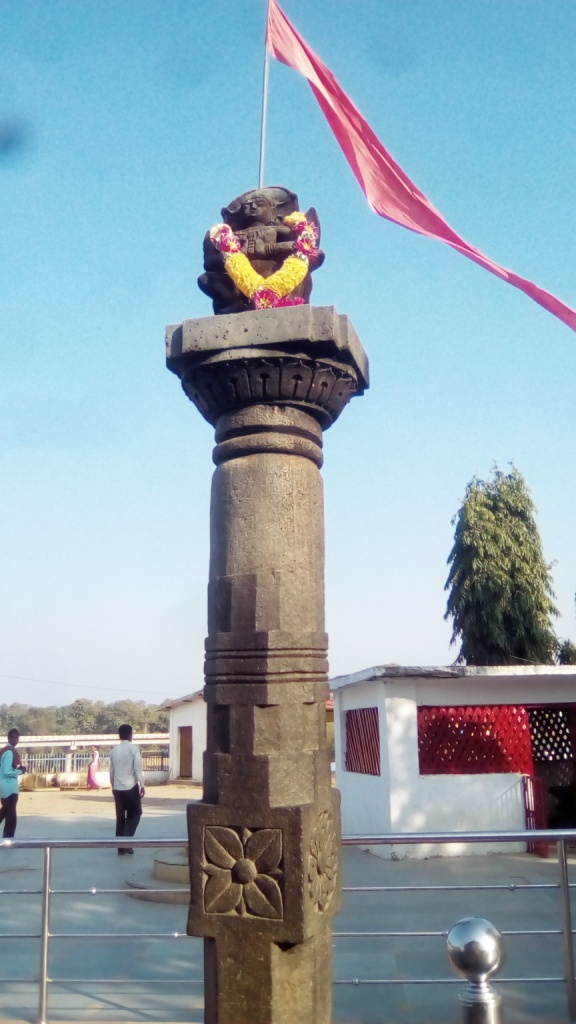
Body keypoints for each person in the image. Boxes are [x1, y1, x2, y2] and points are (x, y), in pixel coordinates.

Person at [109, 724, 145, 855]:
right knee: (135, 813)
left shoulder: (114, 750)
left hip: (117, 788)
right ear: (130, 735)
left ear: (120, 735)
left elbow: (111, 772)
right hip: (131, 787)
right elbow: (138, 769)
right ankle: (126, 841)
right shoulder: (133, 749)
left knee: (120, 817)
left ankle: (120, 847)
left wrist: (113, 786)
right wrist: (142, 785)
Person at [0, 728, 28, 839]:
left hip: (3, 787)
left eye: (17, 738)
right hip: (10, 788)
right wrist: (20, 771)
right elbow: (7, 771)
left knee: (5, 812)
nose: (15, 740)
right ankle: (8, 842)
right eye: (14, 738)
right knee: (11, 818)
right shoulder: (9, 752)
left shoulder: (3, 751)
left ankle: (7, 840)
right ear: (9, 738)